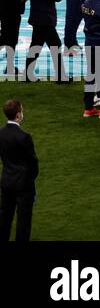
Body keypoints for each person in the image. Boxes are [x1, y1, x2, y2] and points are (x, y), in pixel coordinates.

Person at [25, 0, 79, 79]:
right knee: (55, 45)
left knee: (36, 46)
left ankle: (27, 75)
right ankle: (60, 77)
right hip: (44, 21)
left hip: (40, 20)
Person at [0, 99, 37, 242]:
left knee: (4, 217)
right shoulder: (24, 137)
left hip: (7, 181)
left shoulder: (0, 133)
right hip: (24, 185)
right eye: (21, 110)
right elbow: (33, 163)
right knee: (24, 221)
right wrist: (31, 179)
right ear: (17, 115)